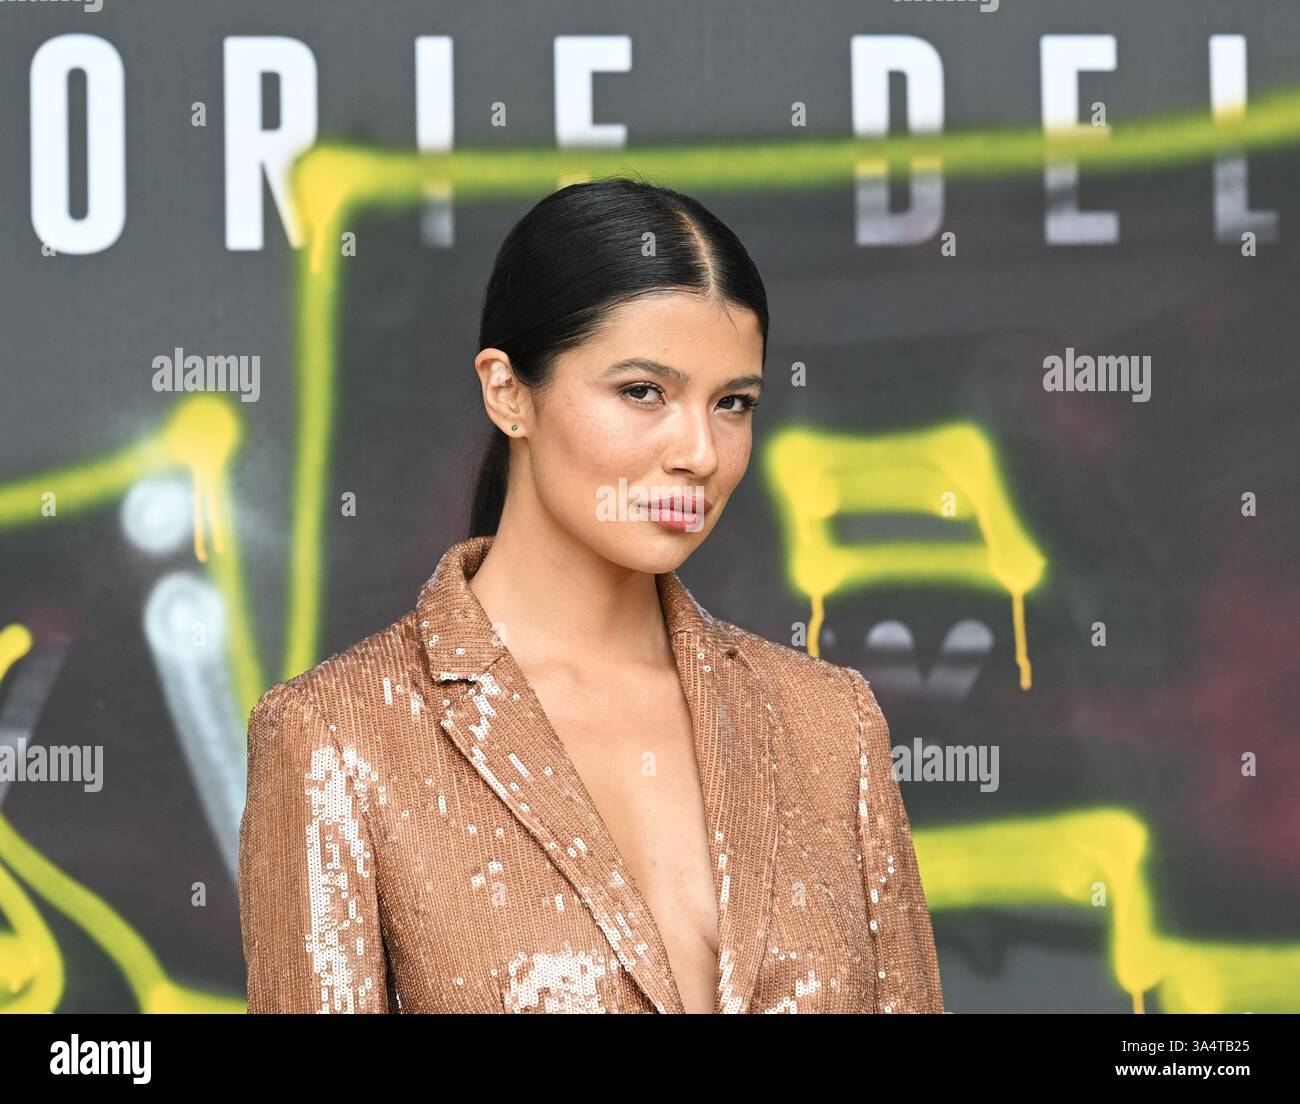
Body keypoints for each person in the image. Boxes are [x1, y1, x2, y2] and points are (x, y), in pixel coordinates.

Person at [238, 177, 943, 1014]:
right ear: (507, 391)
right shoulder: (337, 740)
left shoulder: (832, 725)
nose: (699, 452)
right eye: (643, 392)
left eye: (733, 404)